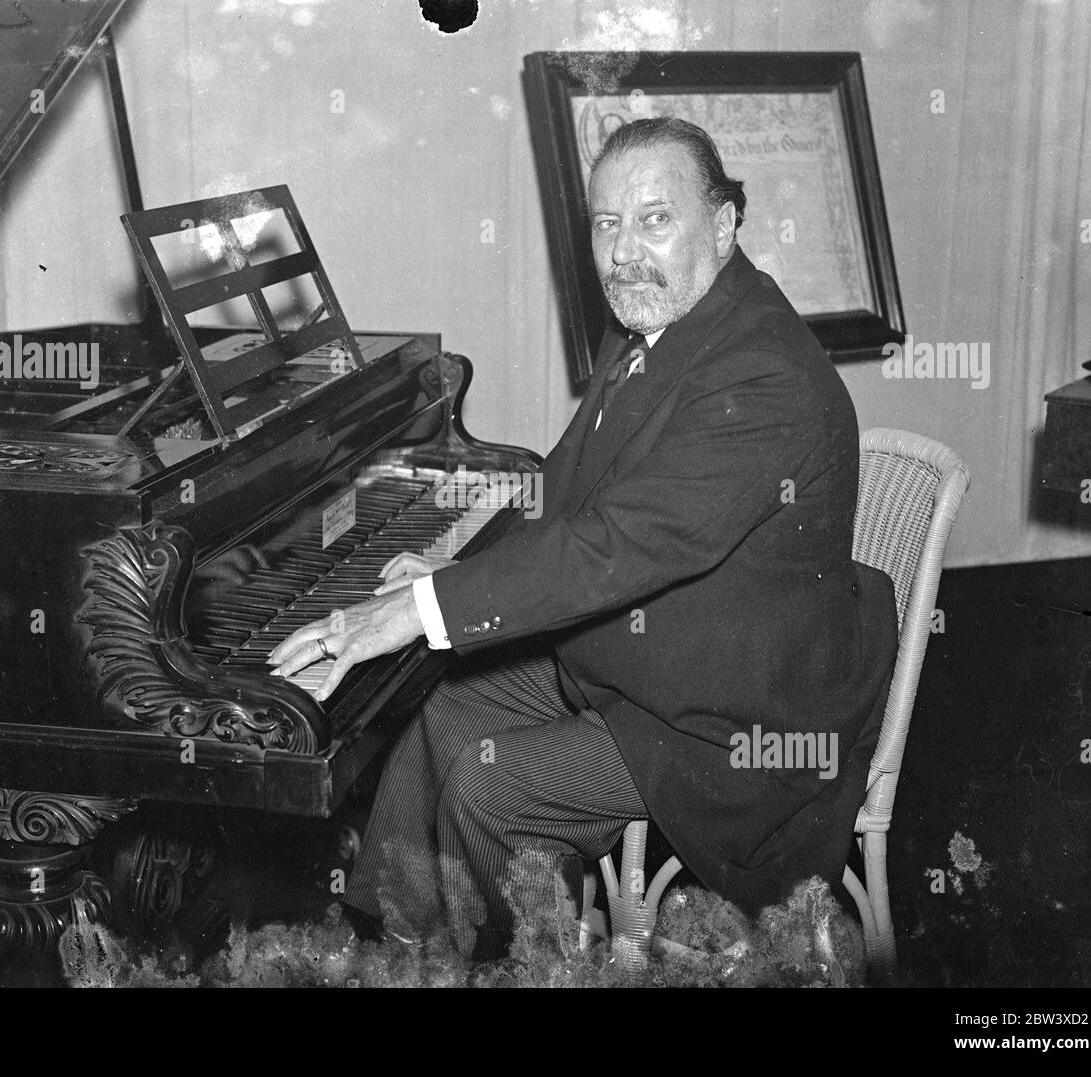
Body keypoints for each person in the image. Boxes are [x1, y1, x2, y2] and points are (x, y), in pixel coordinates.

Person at [270, 116, 898, 958]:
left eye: (655, 219)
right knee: (442, 703)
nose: (624, 252)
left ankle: (524, 971)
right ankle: (393, 948)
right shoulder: (656, 324)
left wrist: (415, 611)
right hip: (652, 657)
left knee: (487, 782)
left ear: (723, 224)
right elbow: (565, 485)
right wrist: (453, 569)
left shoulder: (765, 375)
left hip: (734, 721)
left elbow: (614, 543)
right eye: (607, 223)